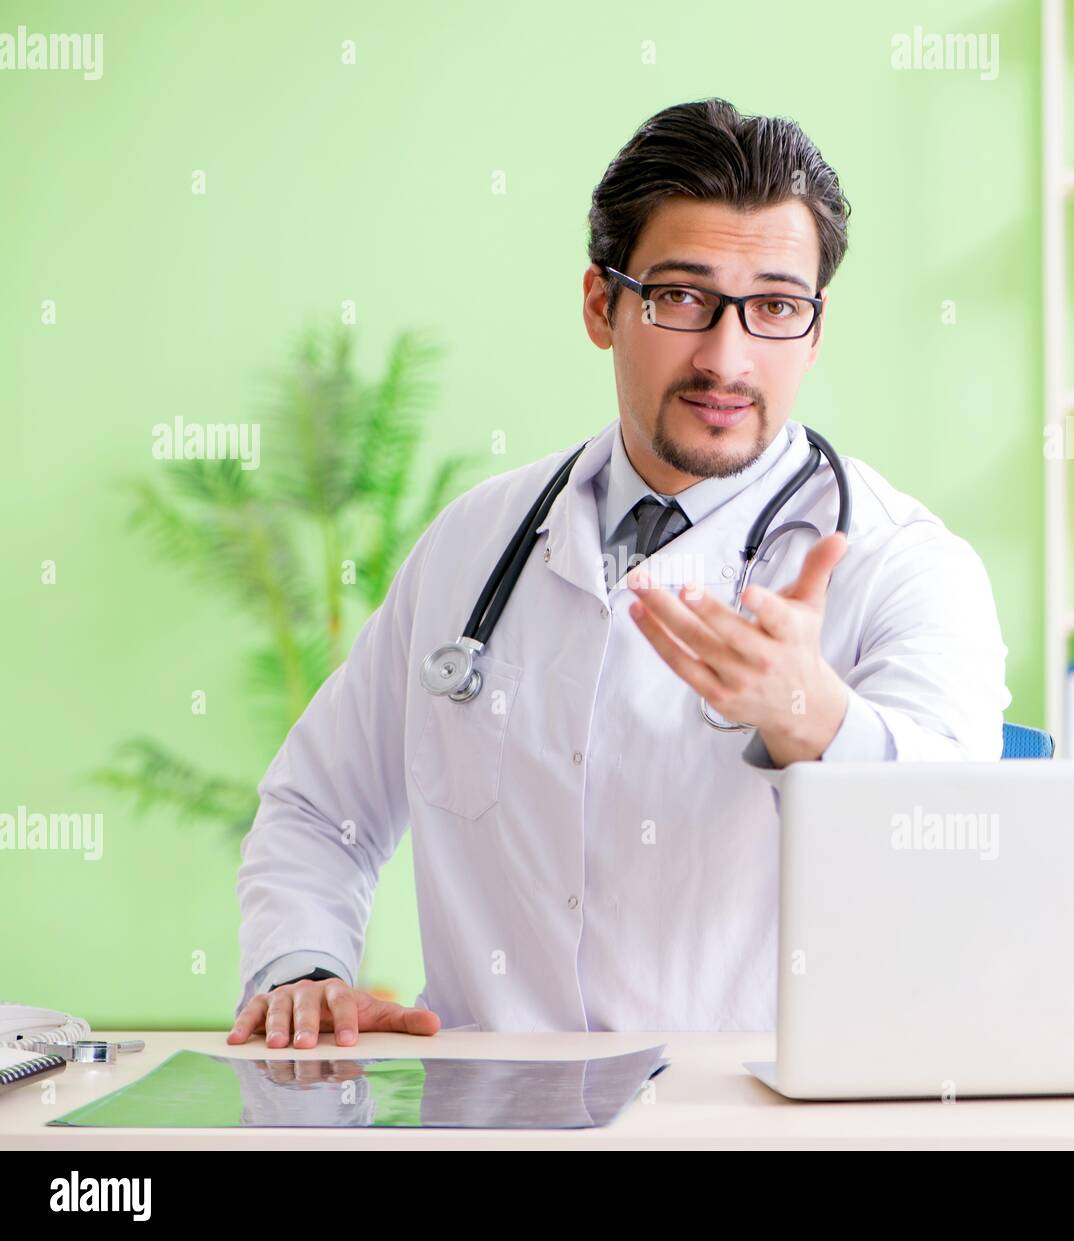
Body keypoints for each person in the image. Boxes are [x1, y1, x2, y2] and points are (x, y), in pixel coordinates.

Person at [229, 98, 1011, 1050]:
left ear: (814, 330)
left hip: (753, 1116)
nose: (727, 359)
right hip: (493, 1112)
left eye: (773, 307)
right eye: (681, 297)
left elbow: (961, 856)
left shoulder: (904, 566)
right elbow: (320, 804)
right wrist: (303, 966)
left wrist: (816, 721)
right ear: (603, 305)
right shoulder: (476, 545)